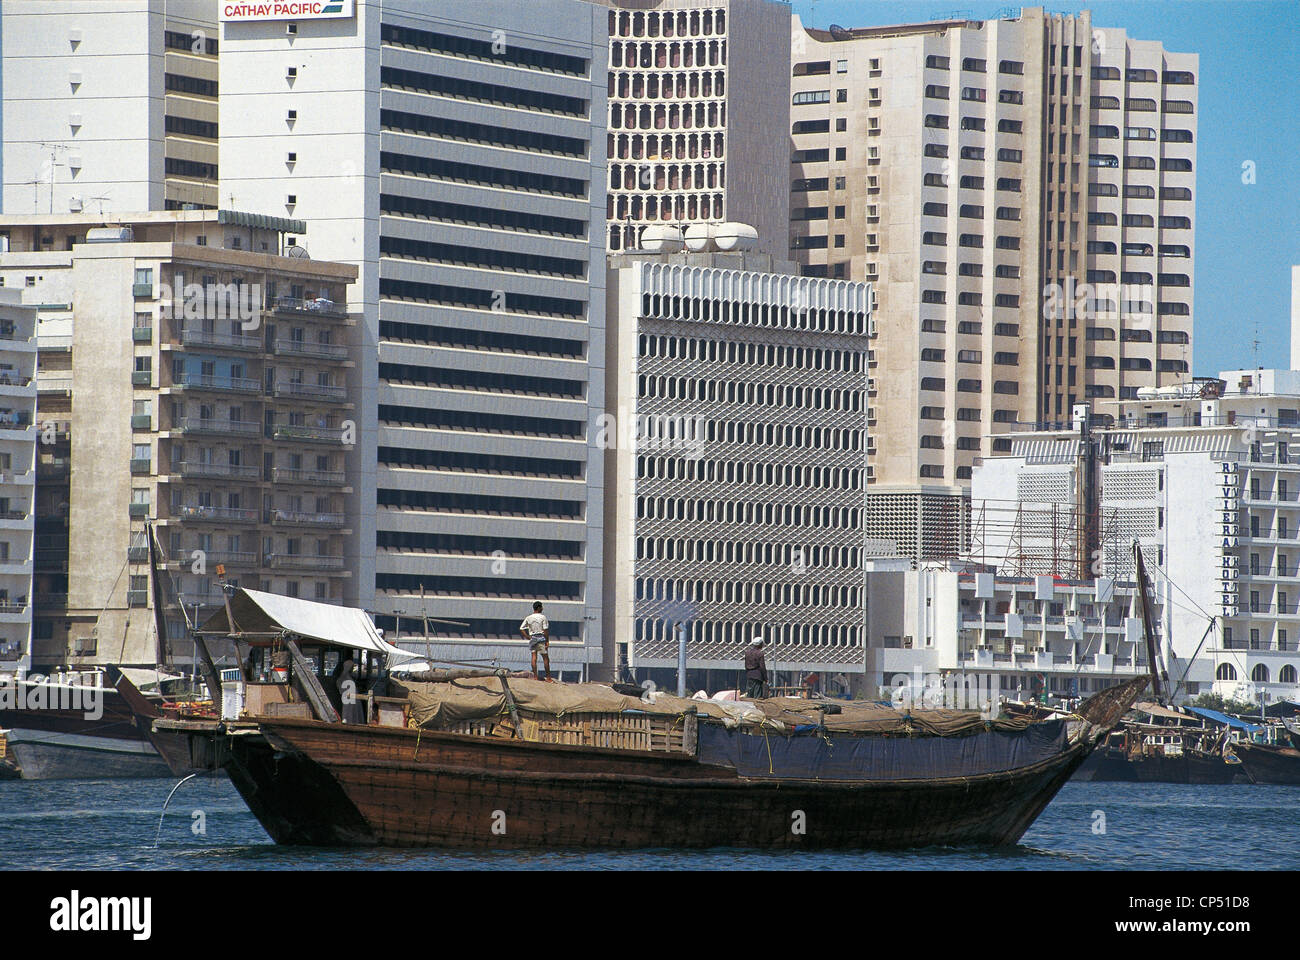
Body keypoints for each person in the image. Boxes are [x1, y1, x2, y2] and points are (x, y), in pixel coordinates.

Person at [520, 601, 552, 681]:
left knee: (534, 657)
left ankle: (535, 677)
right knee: (545, 658)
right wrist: (547, 641)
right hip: (541, 638)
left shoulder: (529, 618)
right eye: (541, 607)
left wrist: (527, 637)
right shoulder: (543, 617)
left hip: (533, 638)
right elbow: (545, 630)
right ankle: (548, 677)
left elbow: (521, 628)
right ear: (538, 608)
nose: (542, 608)